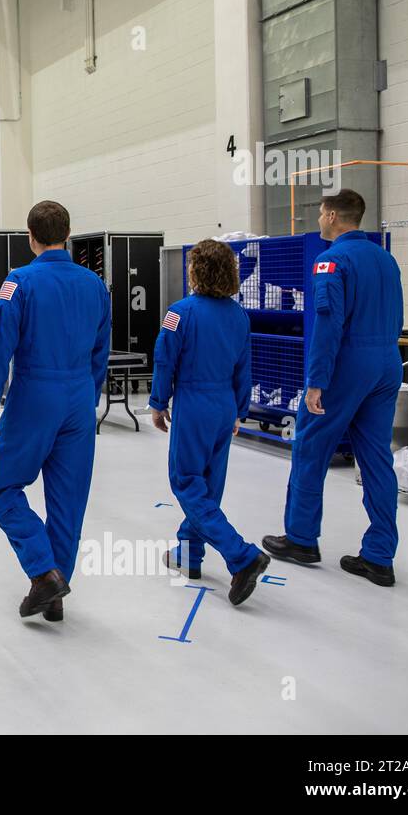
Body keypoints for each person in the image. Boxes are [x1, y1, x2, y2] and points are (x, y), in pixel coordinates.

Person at [0, 201, 110, 622]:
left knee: (2, 490)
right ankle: (54, 594)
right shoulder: (96, 286)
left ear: (30, 237)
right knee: (68, 503)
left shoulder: (20, 283)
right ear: (67, 234)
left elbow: (1, 347)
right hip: (79, 397)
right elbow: (100, 352)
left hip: (35, 394)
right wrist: (87, 399)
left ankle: (43, 571)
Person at [263, 188, 404, 587]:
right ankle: (380, 556)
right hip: (387, 362)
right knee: (376, 458)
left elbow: (328, 325)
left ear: (331, 216)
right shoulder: (386, 259)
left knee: (310, 445)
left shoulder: (331, 261)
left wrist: (316, 382)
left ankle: (301, 538)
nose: (319, 220)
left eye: (321, 214)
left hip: (348, 362)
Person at [150, 239, 270, 605]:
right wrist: (238, 410)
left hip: (194, 403)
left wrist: (158, 402)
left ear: (195, 271)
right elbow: (243, 368)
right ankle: (189, 554)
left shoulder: (179, 313)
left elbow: (165, 361)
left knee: (187, 482)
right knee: (208, 484)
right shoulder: (239, 316)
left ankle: (241, 555)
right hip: (223, 406)